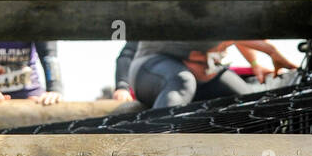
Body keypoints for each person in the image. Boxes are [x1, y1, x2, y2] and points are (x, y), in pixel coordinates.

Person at [127, 38, 297, 110]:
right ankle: (155, 151)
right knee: (182, 81)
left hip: (205, 71)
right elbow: (231, 33)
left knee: (249, 100)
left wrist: (254, 64)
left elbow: (238, 26)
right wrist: (272, 51)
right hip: (152, 71)